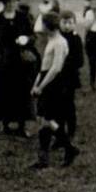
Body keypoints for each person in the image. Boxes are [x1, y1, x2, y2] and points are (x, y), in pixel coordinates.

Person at [0, 0, 37, 136]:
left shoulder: (23, 17)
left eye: (16, 0)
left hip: (21, 60)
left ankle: (21, 125)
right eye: (11, 1)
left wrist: (26, 38)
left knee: (21, 91)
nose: (13, 4)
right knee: (3, 91)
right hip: (2, 60)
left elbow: (33, 36)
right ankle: (5, 124)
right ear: (4, 2)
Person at [30, 11, 79, 168]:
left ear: (47, 26)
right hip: (47, 80)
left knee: (47, 120)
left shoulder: (59, 42)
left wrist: (41, 86)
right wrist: (36, 85)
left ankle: (67, 149)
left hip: (54, 84)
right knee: (45, 121)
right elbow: (44, 67)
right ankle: (46, 158)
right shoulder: (52, 40)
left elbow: (56, 68)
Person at [59, 10, 85, 143]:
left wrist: (65, 63)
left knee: (69, 105)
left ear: (74, 24)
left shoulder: (76, 39)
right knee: (57, 107)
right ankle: (60, 134)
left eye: (70, 23)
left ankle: (71, 132)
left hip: (69, 77)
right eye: (64, 22)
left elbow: (80, 61)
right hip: (56, 77)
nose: (67, 26)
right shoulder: (57, 38)